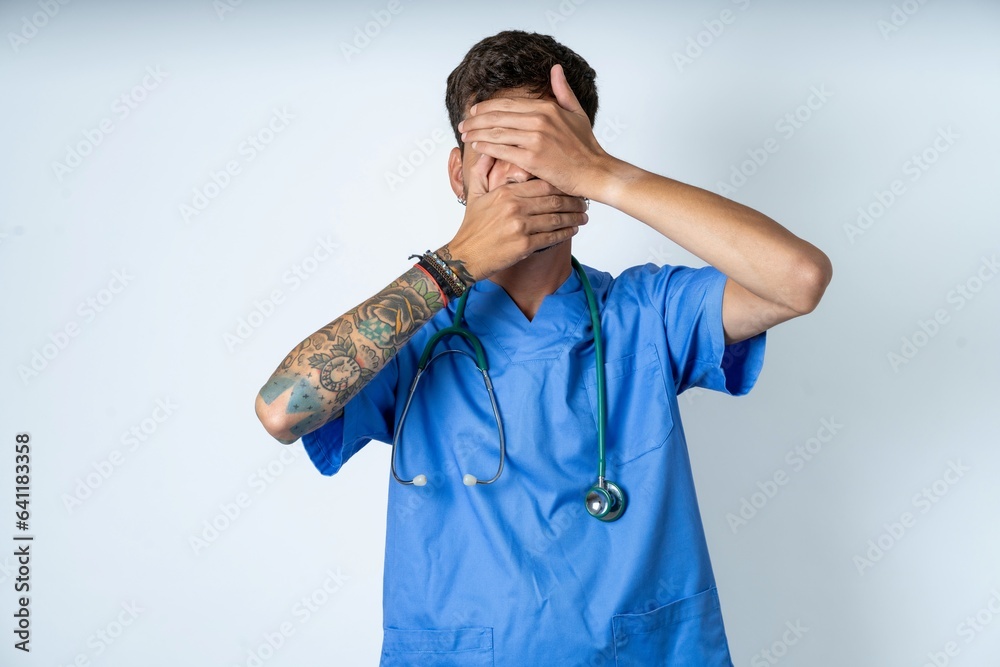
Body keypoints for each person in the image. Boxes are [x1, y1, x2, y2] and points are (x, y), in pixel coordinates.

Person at [254, 30, 832, 666]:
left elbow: (797, 279)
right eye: (497, 154)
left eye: (546, 153)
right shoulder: (410, 330)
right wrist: (453, 266)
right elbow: (283, 409)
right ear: (457, 173)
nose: (522, 176)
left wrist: (607, 174)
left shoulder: (647, 312)